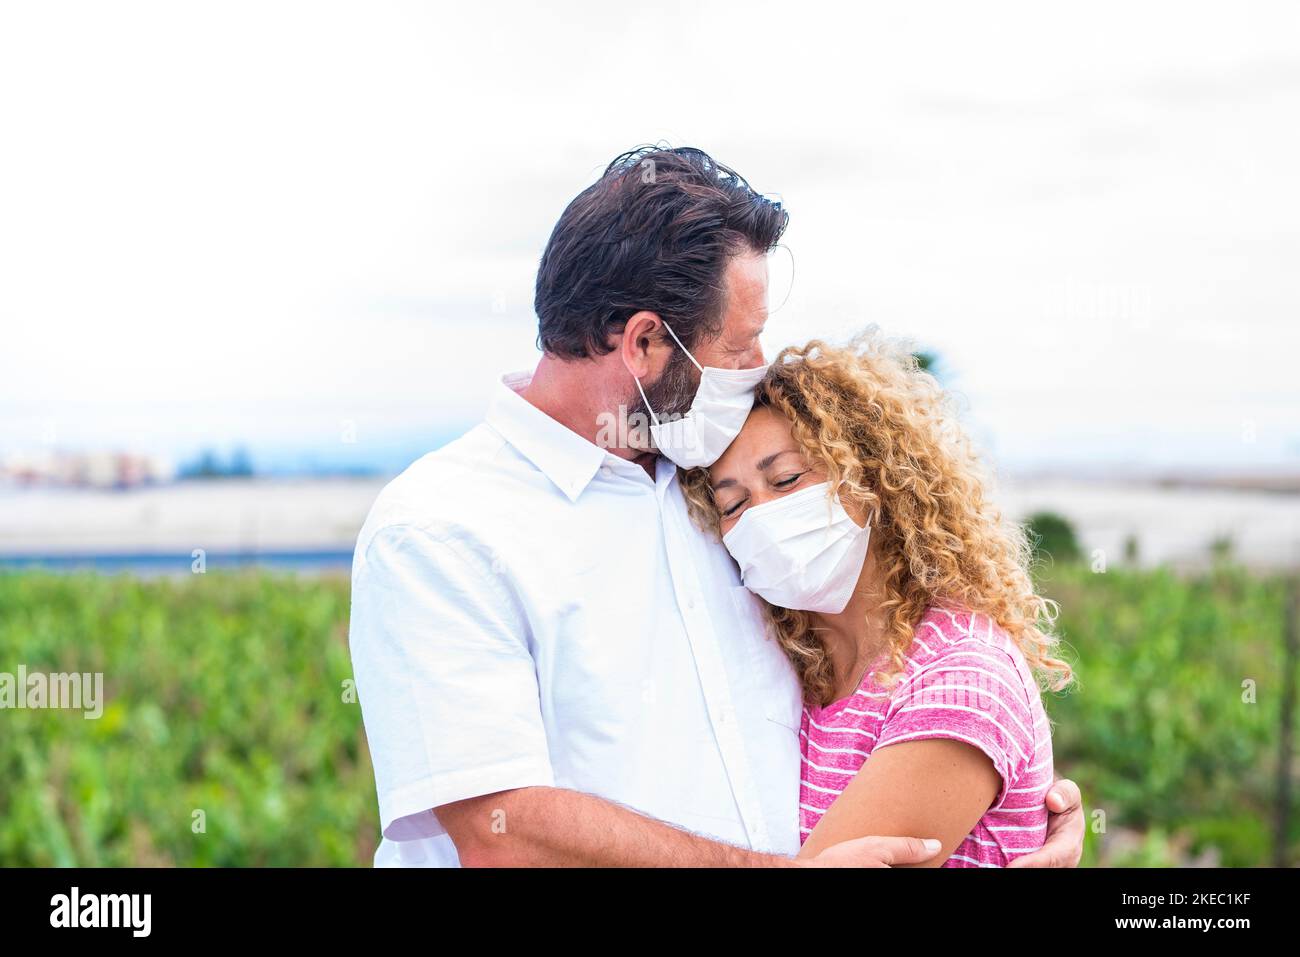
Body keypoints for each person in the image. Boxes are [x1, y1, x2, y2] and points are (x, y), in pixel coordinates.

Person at [347, 145, 1084, 867]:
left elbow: (893, 672)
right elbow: (503, 833)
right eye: (741, 344)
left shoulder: (706, 469)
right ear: (643, 343)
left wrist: (1011, 804)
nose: (757, 368)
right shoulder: (441, 530)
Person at [683, 335, 1074, 865]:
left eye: (787, 479)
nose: (761, 516)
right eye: (732, 503)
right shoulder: (794, 670)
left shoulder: (962, 677)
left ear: (872, 477)